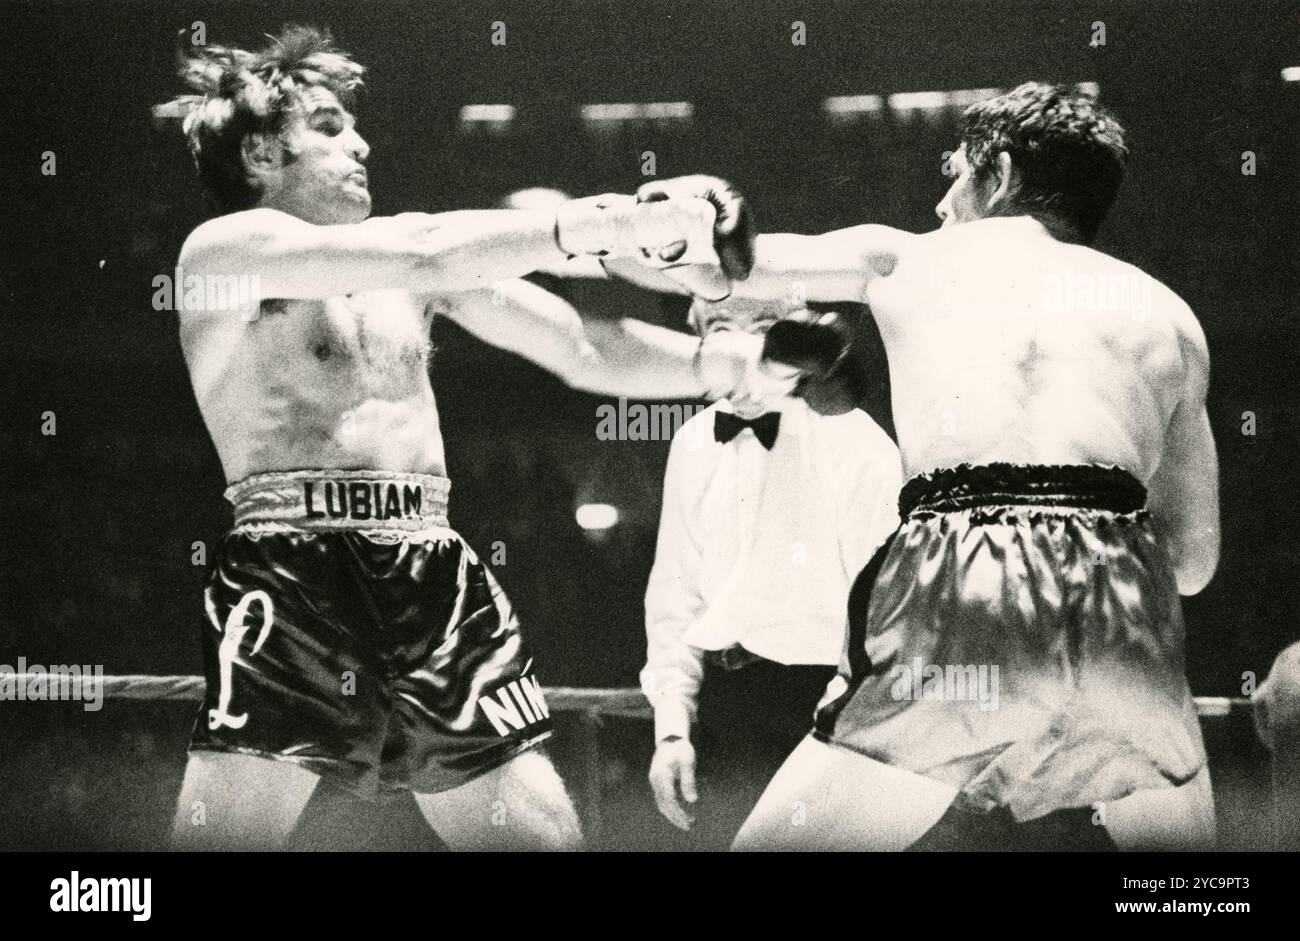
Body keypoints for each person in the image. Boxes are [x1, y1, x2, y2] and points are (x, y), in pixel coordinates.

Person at [156, 26, 794, 850]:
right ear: (259, 156)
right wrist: (604, 220)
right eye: (328, 126)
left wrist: (740, 363)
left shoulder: (404, 268)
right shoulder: (222, 253)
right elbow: (425, 250)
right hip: (294, 573)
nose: (361, 141)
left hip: (435, 574)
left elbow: (582, 348)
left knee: (541, 841)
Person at [707, 82, 1221, 850]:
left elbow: (736, 268)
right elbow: (1191, 562)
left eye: (955, 174)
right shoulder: (1173, 318)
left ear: (1001, 174)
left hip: (965, 574)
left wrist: (666, 227)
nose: (943, 202)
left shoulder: (911, 258)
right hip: (1125, 598)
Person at [642, 296, 901, 848]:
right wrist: (671, 729)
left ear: (796, 339)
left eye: (762, 330)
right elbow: (675, 594)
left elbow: (885, 614)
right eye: (720, 330)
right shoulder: (692, 440)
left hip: (831, 704)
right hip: (724, 708)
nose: (744, 354)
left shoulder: (857, 440)